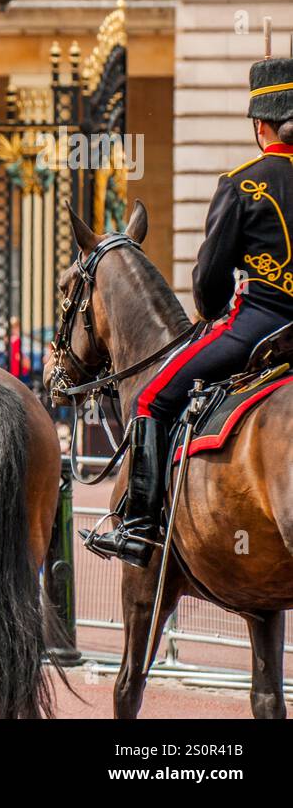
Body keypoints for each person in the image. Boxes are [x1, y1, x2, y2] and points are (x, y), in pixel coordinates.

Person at [85, 53, 293, 567]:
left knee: (152, 398)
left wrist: (218, 314)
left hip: (261, 324)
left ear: (259, 125)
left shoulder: (244, 183)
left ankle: (139, 526)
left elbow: (209, 282)